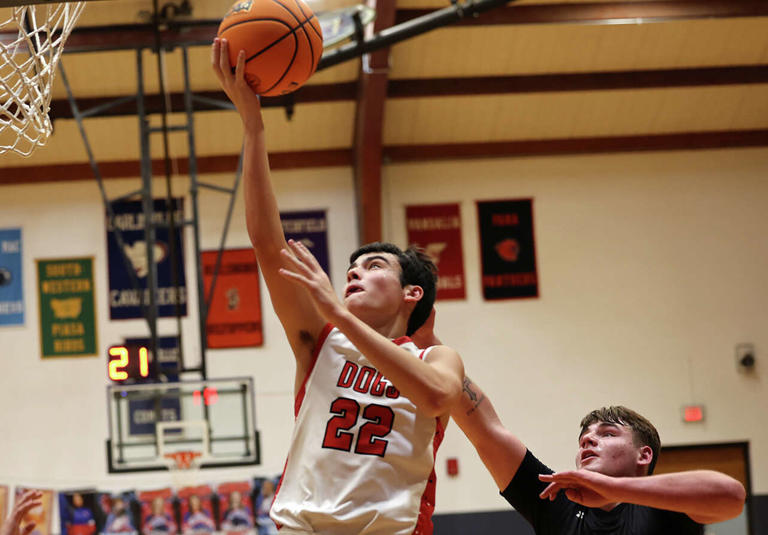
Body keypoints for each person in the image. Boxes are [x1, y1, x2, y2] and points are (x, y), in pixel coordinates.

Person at [211, 37, 465, 535]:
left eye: (372, 265)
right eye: (352, 267)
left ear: (412, 293)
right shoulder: (322, 339)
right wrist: (253, 125)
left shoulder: (436, 359)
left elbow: (436, 399)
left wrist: (340, 313)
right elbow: (265, 241)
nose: (353, 273)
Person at [410, 314, 747, 534]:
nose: (588, 440)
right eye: (585, 436)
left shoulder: (666, 505)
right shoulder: (554, 500)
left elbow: (731, 495)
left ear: (643, 456)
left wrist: (610, 489)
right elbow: (486, 429)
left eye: (608, 433)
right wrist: (428, 344)